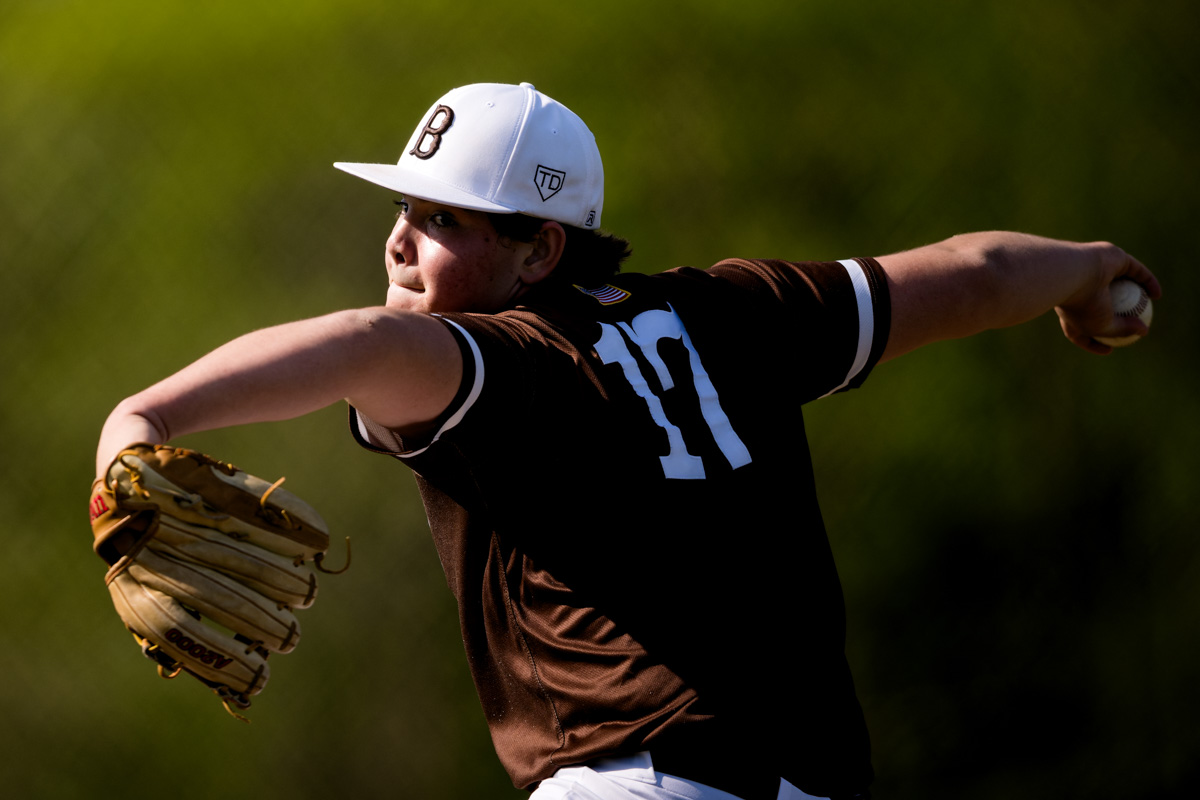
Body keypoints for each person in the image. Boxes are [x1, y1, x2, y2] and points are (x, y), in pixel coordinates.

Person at [95, 82, 1160, 800]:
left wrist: (147, 415)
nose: (399, 241)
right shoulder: (741, 309)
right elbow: (971, 271)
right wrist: (1086, 271)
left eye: (444, 221)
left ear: (538, 250)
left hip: (635, 778)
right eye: (404, 208)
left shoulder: (513, 358)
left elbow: (361, 342)